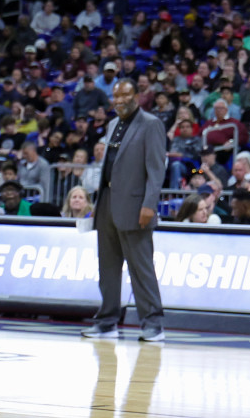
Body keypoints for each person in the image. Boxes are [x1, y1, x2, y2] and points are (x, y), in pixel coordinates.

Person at [82, 80, 166, 342]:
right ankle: (107, 322)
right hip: (106, 202)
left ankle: (153, 324)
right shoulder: (111, 124)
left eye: (125, 95)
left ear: (137, 96)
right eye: (115, 95)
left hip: (136, 205)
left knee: (141, 268)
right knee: (107, 268)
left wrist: (149, 204)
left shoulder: (151, 124)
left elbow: (156, 169)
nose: (119, 100)